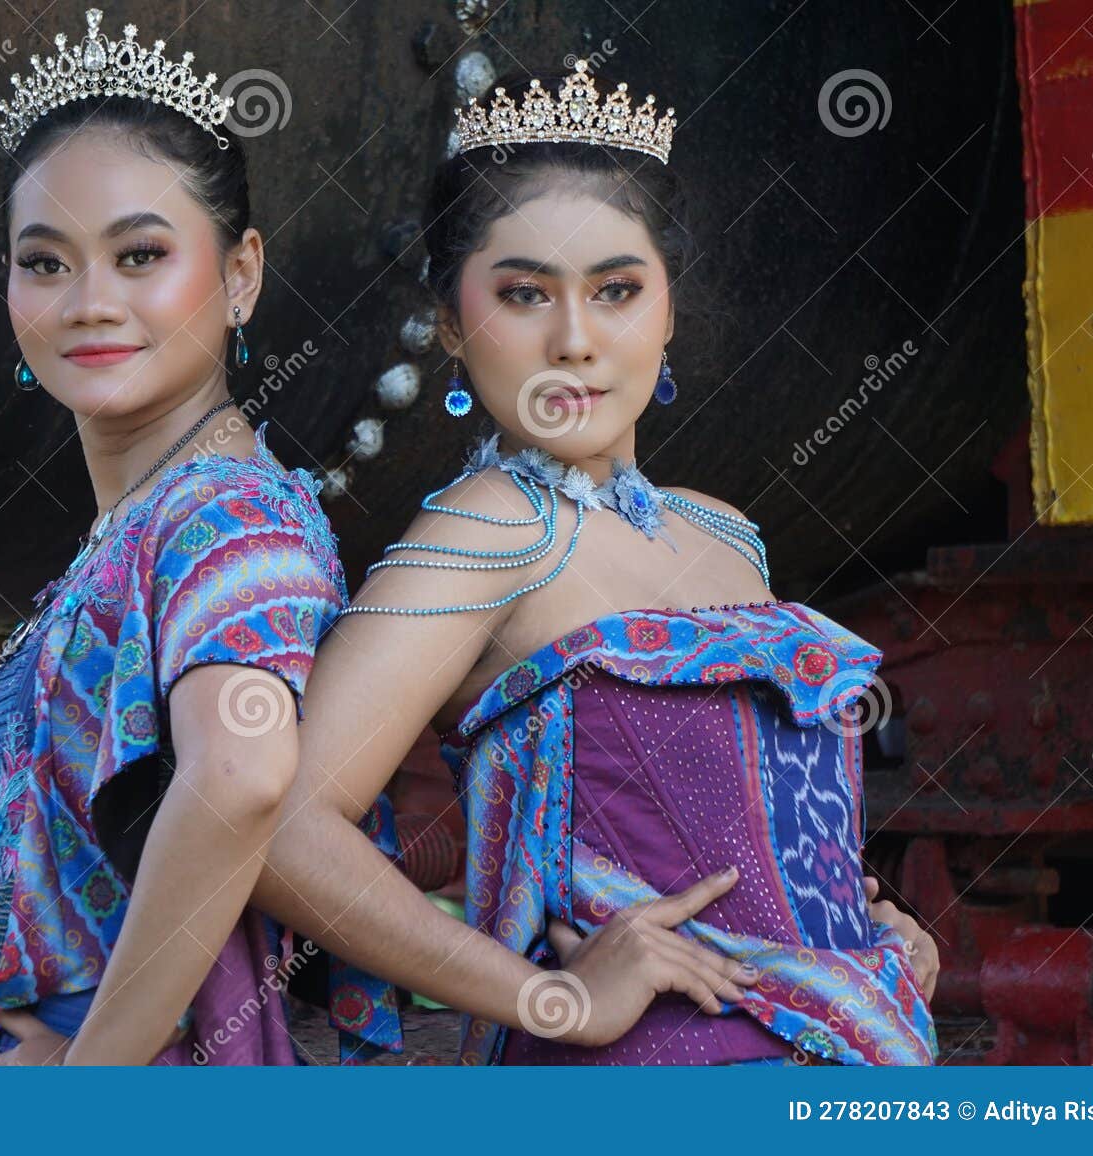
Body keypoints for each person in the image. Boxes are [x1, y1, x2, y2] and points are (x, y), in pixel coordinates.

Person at [249, 59, 940, 1066]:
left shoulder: (724, 532)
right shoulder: (487, 530)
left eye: (616, 289)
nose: (574, 340)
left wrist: (875, 923)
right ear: (452, 323)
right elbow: (276, 829)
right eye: (523, 294)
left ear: (668, 310)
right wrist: (547, 997)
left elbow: (759, 829)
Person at [0, 8, 345, 1065]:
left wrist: (88, 1084)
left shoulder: (224, 509)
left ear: (240, 275)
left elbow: (238, 777)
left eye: (139, 254)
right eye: (44, 263)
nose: (89, 302)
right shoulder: (142, 521)